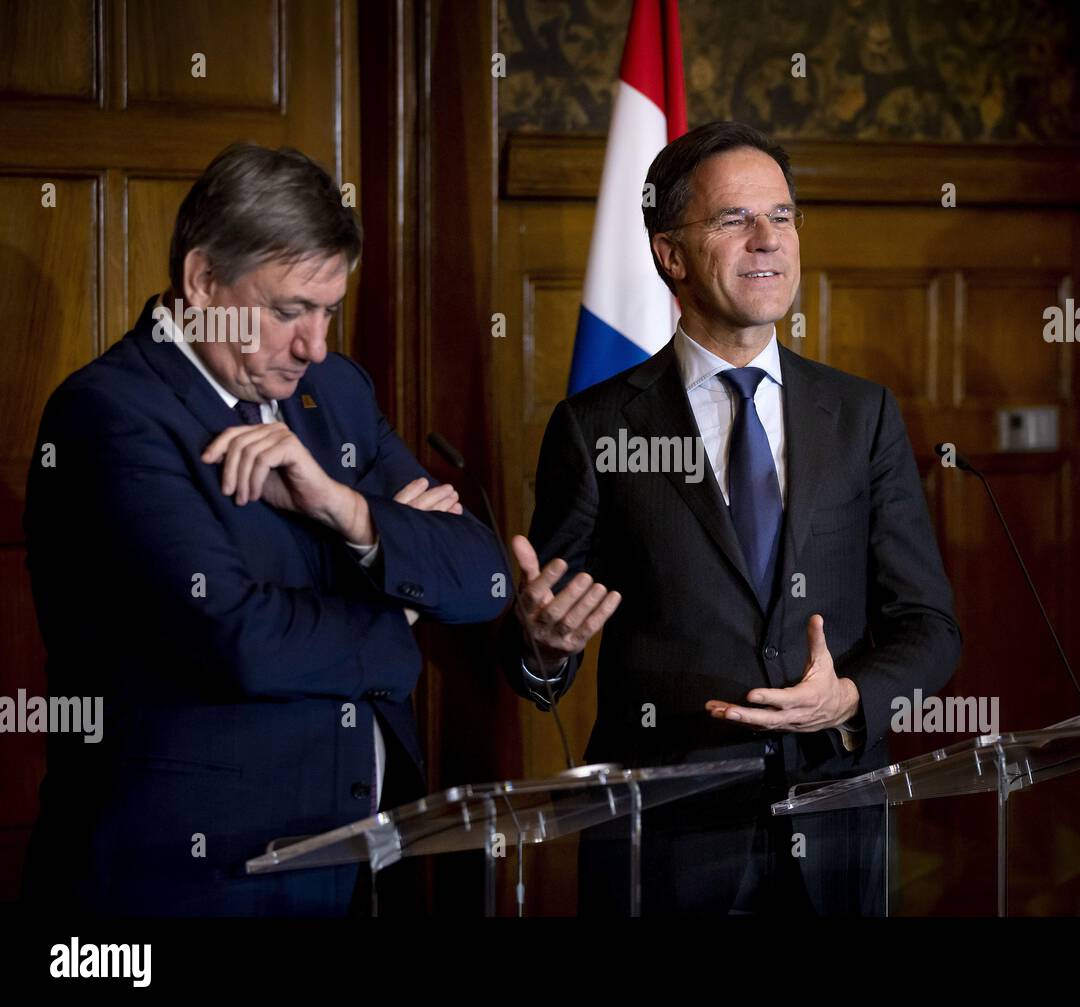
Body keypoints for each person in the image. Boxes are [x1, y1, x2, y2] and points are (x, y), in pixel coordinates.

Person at [21, 143, 510, 916]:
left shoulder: (334, 391)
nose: (314, 345)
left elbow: (484, 578)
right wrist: (400, 605)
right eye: (288, 312)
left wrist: (343, 509)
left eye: (327, 312)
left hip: (356, 865)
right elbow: (237, 639)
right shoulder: (108, 415)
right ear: (204, 280)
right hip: (188, 885)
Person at [505, 121, 962, 915]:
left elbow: (930, 625)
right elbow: (548, 634)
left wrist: (849, 696)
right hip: (669, 835)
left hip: (835, 823)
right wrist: (543, 648)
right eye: (733, 220)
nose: (767, 240)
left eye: (782, 217)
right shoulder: (597, 425)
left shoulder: (862, 414)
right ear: (670, 255)